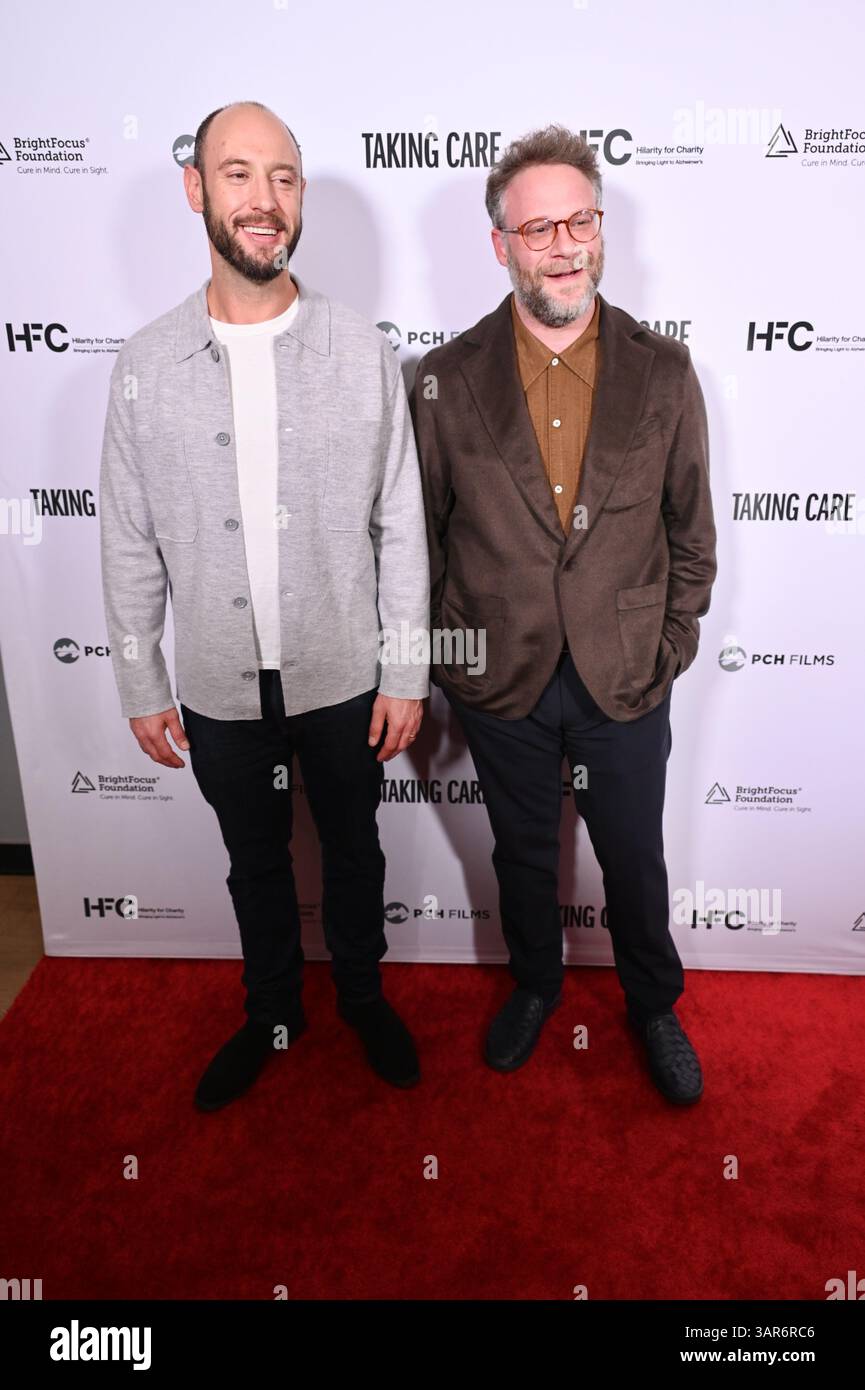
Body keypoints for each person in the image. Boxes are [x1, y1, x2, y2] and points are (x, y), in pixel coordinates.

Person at [99, 101, 430, 1111]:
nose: (264, 199)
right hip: (210, 683)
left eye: (283, 177)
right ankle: (270, 1011)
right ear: (196, 190)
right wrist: (140, 679)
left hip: (343, 676)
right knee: (255, 865)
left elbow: (404, 525)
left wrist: (407, 670)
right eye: (238, 174)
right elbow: (126, 535)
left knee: (356, 851)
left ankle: (364, 996)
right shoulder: (146, 367)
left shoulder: (361, 351)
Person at [409, 124, 716, 1104]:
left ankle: (652, 1002)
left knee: (634, 853)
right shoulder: (444, 379)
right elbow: (417, 535)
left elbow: (692, 534)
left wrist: (666, 646)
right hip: (499, 679)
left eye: (579, 220)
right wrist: (441, 664)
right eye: (538, 227)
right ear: (499, 243)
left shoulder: (663, 371)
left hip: (625, 671)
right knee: (519, 848)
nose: (564, 245)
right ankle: (537, 982)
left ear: (601, 227)